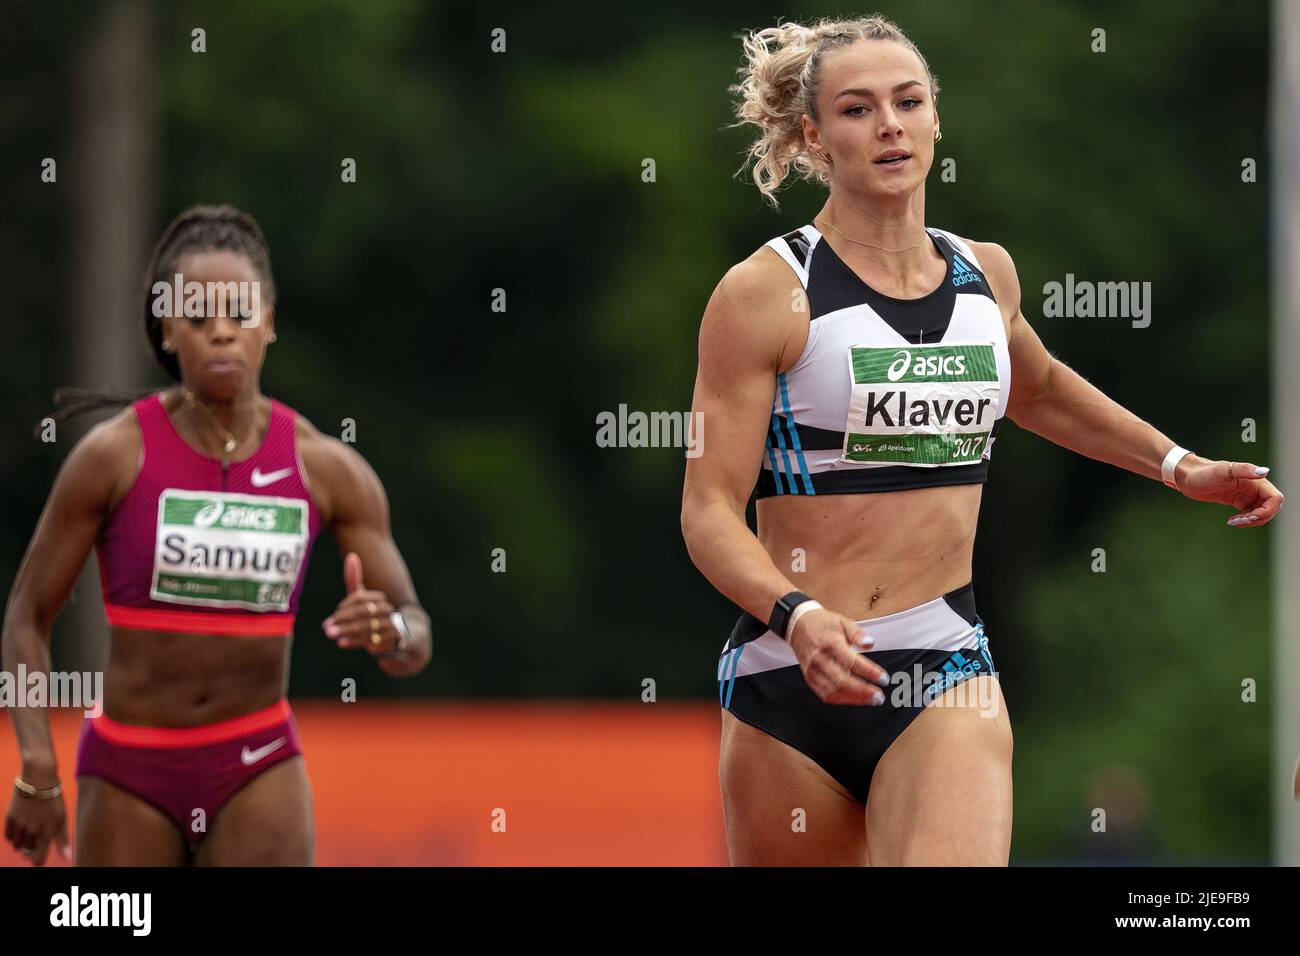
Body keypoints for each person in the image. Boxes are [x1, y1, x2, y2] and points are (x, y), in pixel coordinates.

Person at [680, 16, 1283, 865]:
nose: (888, 124)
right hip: (790, 676)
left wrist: (1179, 465)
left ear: (935, 120)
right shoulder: (764, 292)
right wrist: (800, 613)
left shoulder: (983, 274)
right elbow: (707, 510)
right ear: (813, 134)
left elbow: (1036, 387)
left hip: (942, 668)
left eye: (908, 101)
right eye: (857, 109)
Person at [2, 204, 432, 866]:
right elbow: (26, 619)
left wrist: (391, 633)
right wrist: (36, 767)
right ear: (169, 330)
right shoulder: (112, 458)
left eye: (240, 314)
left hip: (256, 763)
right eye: (198, 318)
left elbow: (414, 634)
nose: (222, 333)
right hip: (130, 770)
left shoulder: (327, 469)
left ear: (270, 324)